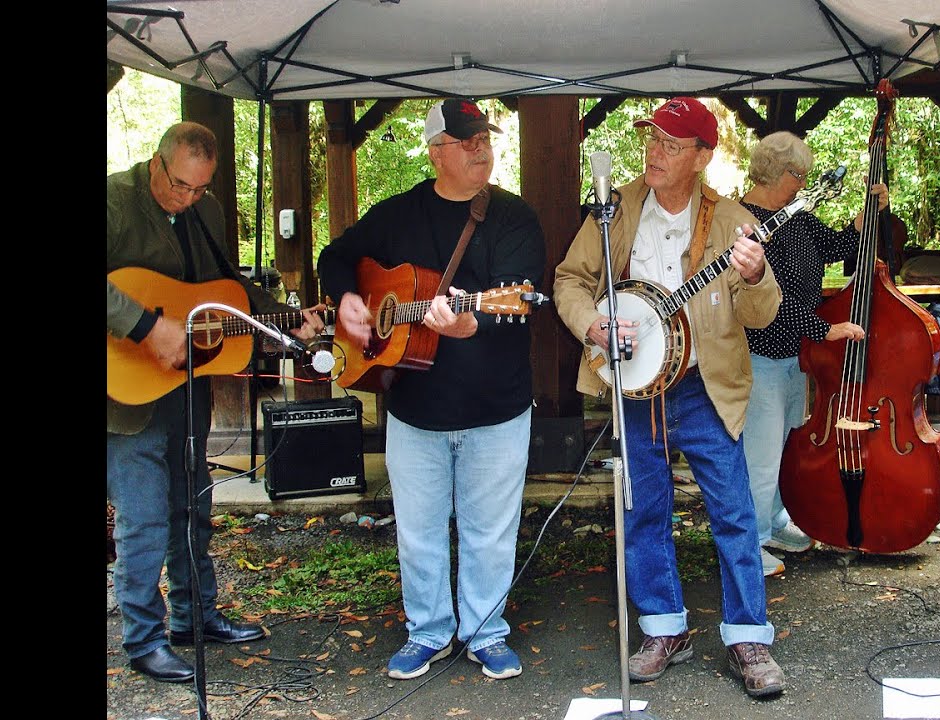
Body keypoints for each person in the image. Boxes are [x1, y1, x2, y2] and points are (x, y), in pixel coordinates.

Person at [554, 97, 786, 697]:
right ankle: (664, 628)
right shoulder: (615, 209)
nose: (655, 153)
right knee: (643, 510)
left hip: (705, 388)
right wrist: (592, 326)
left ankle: (748, 638)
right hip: (633, 386)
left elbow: (763, 314)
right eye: (651, 141)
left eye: (671, 144)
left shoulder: (735, 219)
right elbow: (570, 280)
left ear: (703, 157)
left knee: (733, 513)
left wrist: (757, 273)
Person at [317, 99, 545, 680]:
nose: (480, 150)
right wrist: (348, 298)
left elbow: (518, 300)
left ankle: (486, 631)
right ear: (436, 151)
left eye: (484, 140)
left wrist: (472, 322)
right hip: (415, 410)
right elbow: (336, 255)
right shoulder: (397, 215)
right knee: (418, 532)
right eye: (466, 142)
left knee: (489, 531)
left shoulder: (514, 218)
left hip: (496, 406)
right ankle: (428, 631)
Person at [107, 121, 326, 683]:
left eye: (200, 188)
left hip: (186, 387)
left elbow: (223, 292)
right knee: (145, 517)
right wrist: (143, 328)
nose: (188, 197)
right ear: (156, 164)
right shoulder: (114, 200)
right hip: (124, 392)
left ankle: (195, 616)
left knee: (192, 506)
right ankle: (143, 639)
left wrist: (283, 320)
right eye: (180, 185)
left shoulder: (206, 213)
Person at [737, 131, 888, 577]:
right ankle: (750, 541)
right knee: (760, 455)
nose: (804, 184)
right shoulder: (744, 223)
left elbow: (841, 248)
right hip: (757, 355)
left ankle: (777, 519)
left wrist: (867, 221)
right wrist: (826, 329)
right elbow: (772, 300)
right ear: (777, 173)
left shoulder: (797, 217)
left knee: (785, 445)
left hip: (792, 357)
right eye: (798, 176)